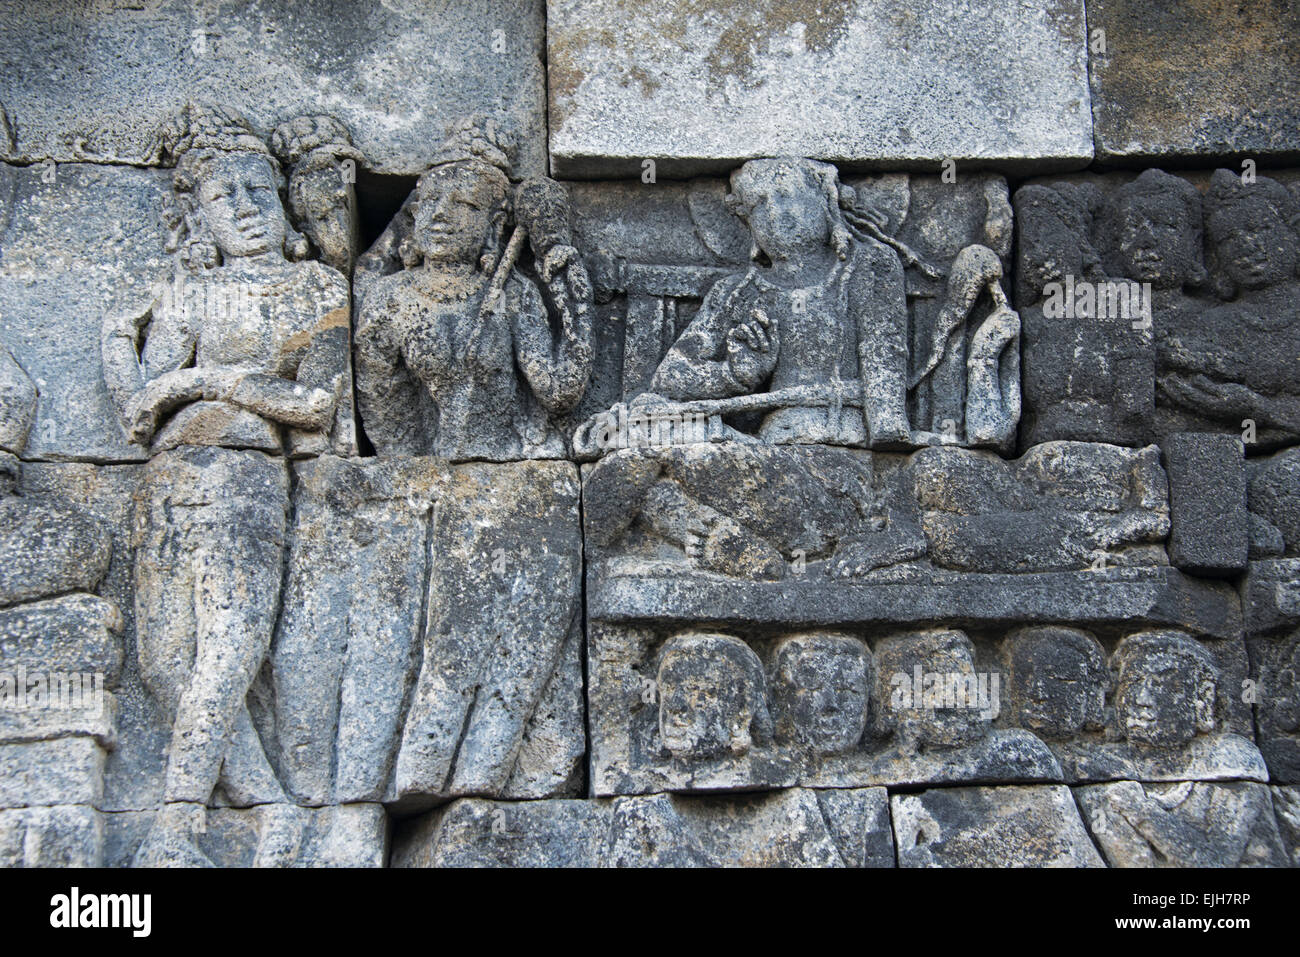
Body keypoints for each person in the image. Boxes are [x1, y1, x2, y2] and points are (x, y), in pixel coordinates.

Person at [101, 103, 350, 866]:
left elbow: (315, 403)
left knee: (232, 642)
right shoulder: (193, 294)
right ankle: (272, 811)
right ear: (198, 218)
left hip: (246, 477)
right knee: (164, 663)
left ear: (282, 206)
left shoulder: (312, 288)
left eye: (257, 192)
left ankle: (176, 825)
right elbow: (141, 404)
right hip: (168, 478)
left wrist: (212, 379)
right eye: (222, 197)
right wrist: (117, 334)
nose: (243, 209)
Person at [353, 118, 593, 459]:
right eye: (431, 202)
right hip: (430, 466)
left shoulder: (512, 292)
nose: (440, 216)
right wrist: (416, 471)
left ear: (494, 226)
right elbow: (384, 404)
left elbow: (558, 392)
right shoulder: (390, 298)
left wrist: (569, 288)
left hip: (517, 456)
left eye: (464, 205)